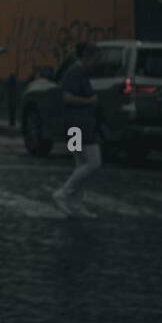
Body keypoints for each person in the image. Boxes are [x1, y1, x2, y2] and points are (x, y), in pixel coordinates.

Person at [51, 42, 103, 218]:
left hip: (76, 125)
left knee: (81, 165)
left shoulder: (78, 72)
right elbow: (67, 97)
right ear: (88, 57)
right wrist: (89, 101)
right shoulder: (76, 72)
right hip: (78, 125)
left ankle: (75, 205)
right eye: (95, 58)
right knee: (94, 162)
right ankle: (64, 194)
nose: (97, 63)